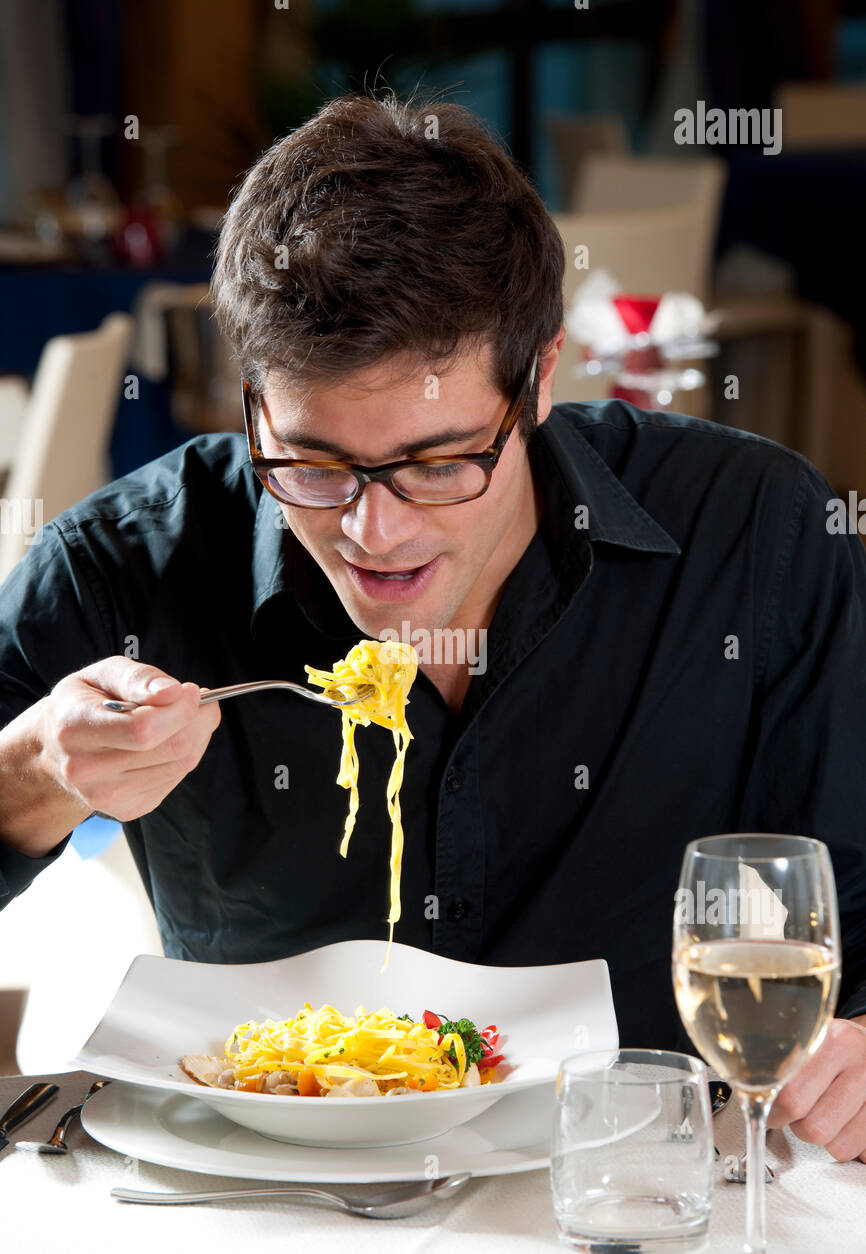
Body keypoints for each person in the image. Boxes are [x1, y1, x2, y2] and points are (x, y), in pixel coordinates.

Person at [1, 92, 865, 1160]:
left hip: (642, 1204)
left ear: (540, 377)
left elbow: (852, 902)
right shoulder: (123, 570)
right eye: (311, 466)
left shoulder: (752, 535)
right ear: (249, 402)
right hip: (258, 1219)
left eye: (439, 461)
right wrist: (38, 769)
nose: (376, 531)